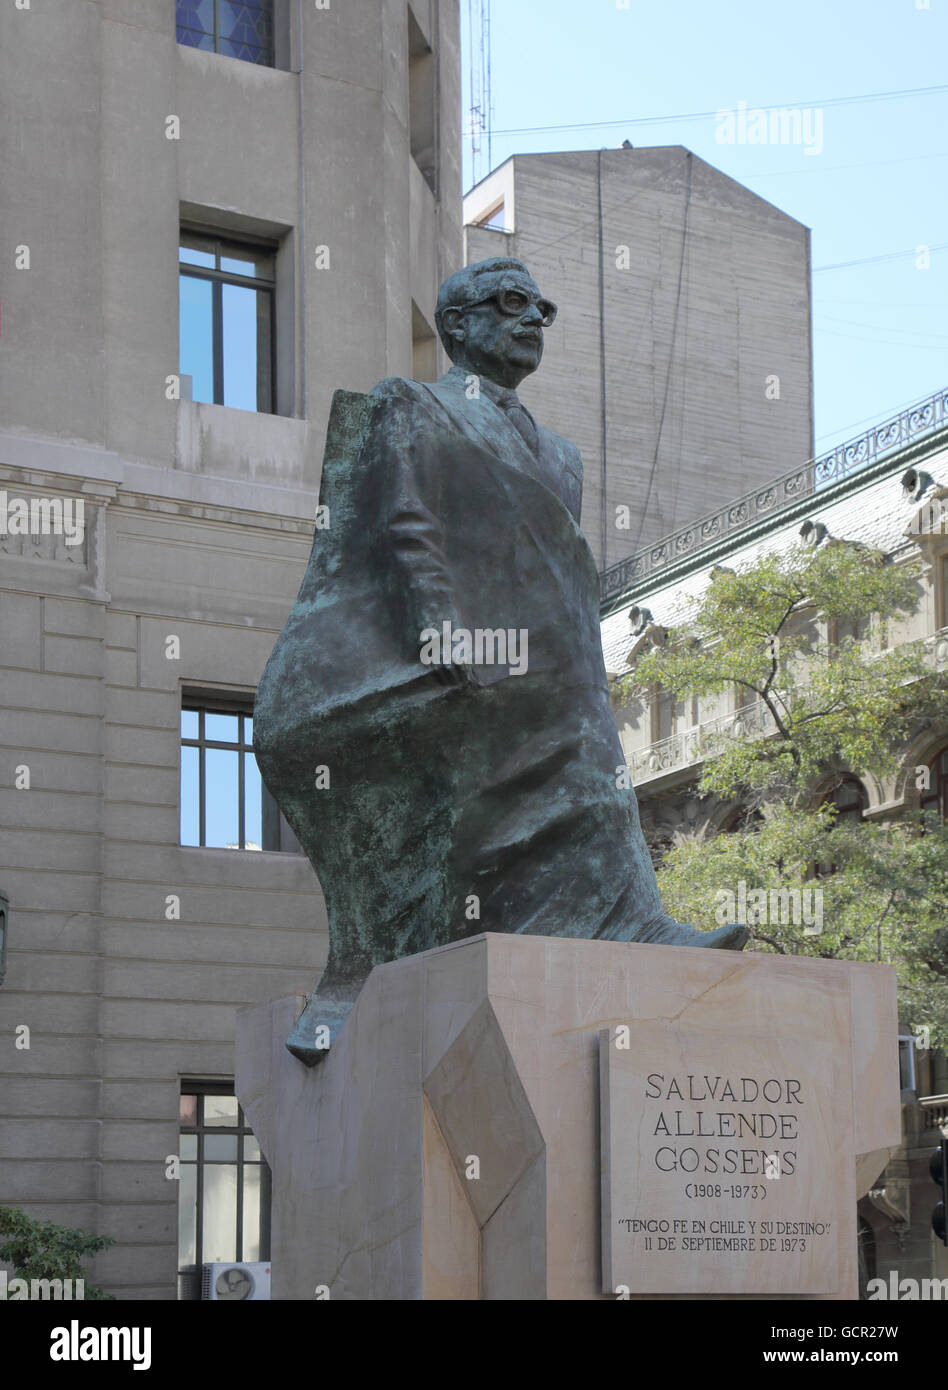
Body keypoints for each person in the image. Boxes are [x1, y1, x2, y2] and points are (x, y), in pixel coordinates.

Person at [254, 257, 747, 1064]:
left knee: (589, 741)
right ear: (457, 325)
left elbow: (556, 570)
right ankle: (614, 923)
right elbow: (404, 524)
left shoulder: (564, 455)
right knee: (572, 743)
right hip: (448, 659)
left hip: (548, 664)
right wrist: (441, 628)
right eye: (511, 303)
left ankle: (628, 918)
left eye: (540, 309)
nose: (531, 321)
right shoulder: (410, 405)